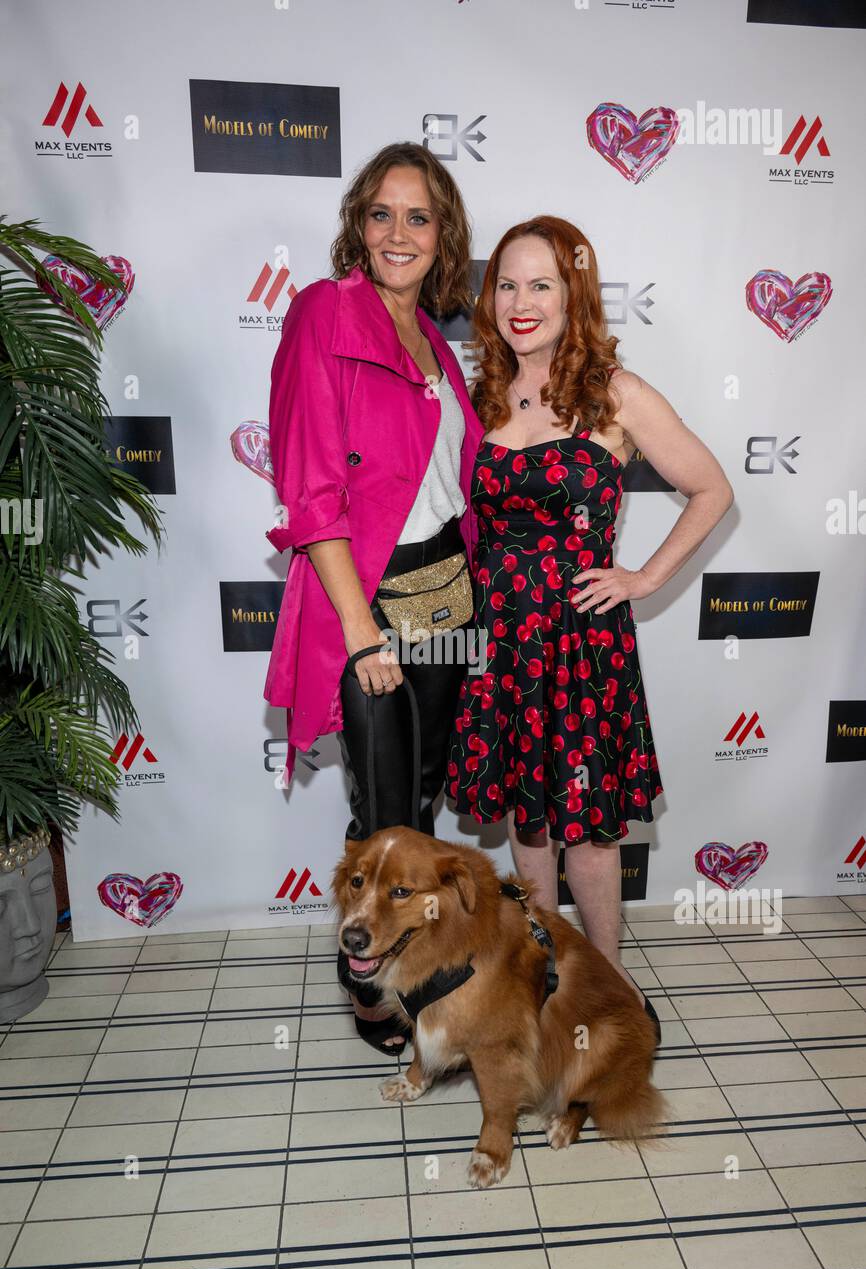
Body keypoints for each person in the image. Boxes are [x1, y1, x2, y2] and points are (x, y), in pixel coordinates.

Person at [447, 216, 734, 1044]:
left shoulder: (616, 391)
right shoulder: (479, 395)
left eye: (542, 284)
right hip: (500, 642)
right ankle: (545, 972)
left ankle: (605, 987)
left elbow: (711, 488)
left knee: (590, 833)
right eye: (506, 284)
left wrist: (644, 577)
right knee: (527, 824)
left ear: (574, 294)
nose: (520, 301)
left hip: (579, 644)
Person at [263, 143, 484, 1055]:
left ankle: (419, 971)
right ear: (359, 224)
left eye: (419, 218)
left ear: (444, 238)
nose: (400, 234)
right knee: (382, 816)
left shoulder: (433, 338)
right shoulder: (324, 314)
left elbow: (449, 487)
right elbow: (312, 491)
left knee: (424, 812)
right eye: (382, 214)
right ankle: (367, 985)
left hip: (449, 599)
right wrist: (363, 635)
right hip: (374, 608)